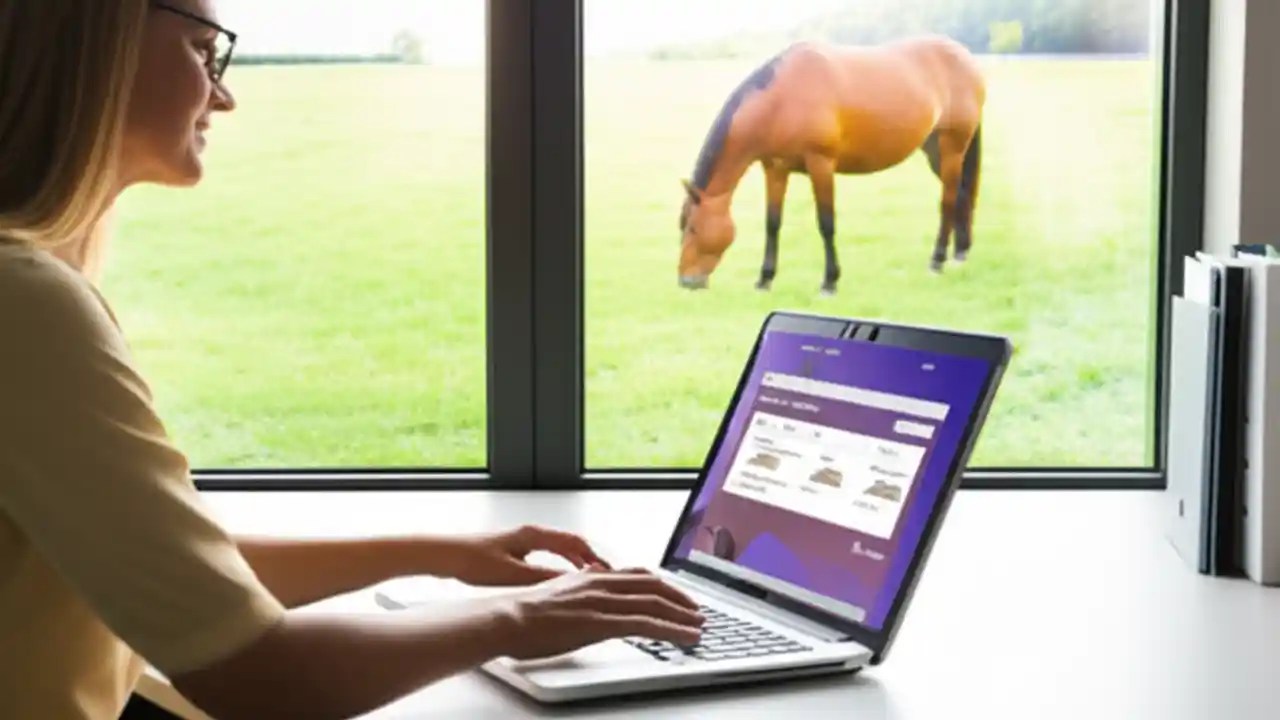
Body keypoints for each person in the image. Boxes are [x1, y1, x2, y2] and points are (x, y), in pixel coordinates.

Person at [0, 2, 704, 718]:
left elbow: (171, 568)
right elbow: (258, 676)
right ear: (97, 56)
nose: (223, 93)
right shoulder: (25, 305)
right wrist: (524, 619)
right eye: (200, 50)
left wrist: (441, 554)